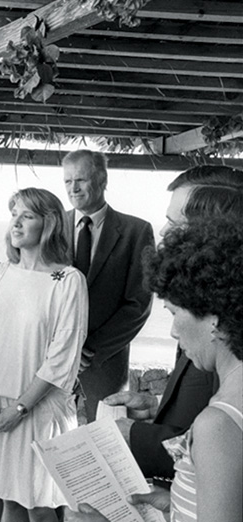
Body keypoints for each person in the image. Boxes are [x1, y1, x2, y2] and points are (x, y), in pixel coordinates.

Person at [75, 216, 243, 522]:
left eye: (174, 313)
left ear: (215, 316)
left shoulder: (218, 423)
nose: (173, 332)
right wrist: (178, 504)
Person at [103, 166, 243, 485]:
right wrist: (157, 408)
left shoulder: (223, 328)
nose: (164, 232)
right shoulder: (202, 305)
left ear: (213, 232)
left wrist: (136, 440)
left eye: (176, 222)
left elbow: (223, 446)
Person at [0, 187, 88, 522]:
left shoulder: (67, 281)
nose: (16, 223)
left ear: (49, 223)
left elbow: (62, 357)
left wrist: (21, 408)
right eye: (14, 215)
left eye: (27, 215)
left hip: (40, 409)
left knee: (40, 506)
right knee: (9, 500)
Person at [62, 149, 154, 422]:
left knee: (106, 439)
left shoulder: (136, 231)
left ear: (102, 180)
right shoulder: (52, 227)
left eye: (81, 180)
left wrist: (91, 350)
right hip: (53, 358)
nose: (73, 188)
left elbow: (138, 304)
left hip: (104, 361)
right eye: (67, 181)